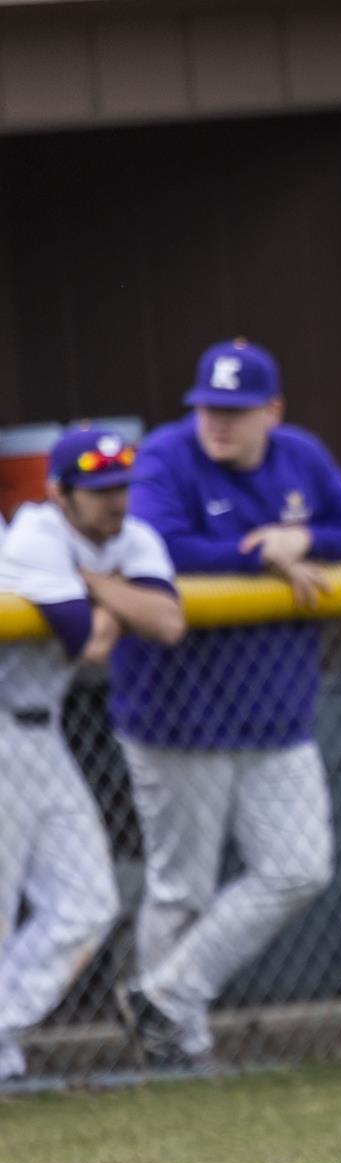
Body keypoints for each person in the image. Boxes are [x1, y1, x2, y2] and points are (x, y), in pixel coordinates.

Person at [112, 339, 341, 1069]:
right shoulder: (168, 454)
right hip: (177, 711)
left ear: (272, 409)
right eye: (209, 408)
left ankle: (162, 994)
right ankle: (175, 1048)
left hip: (275, 709)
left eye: (235, 411)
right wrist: (254, 553)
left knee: (300, 866)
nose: (218, 423)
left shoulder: (301, 455)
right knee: (181, 887)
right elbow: (153, 544)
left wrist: (304, 535)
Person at [0, 431, 183, 1081]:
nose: (114, 501)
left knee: (88, 902)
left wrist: (91, 582)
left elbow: (167, 621)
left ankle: (3, 1025)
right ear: (58, 492)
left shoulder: (127, 536)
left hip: (38, 731)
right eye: (97, 489)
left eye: (120, 485)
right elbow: (92, 641)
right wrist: (109, 594)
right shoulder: (34, 535)